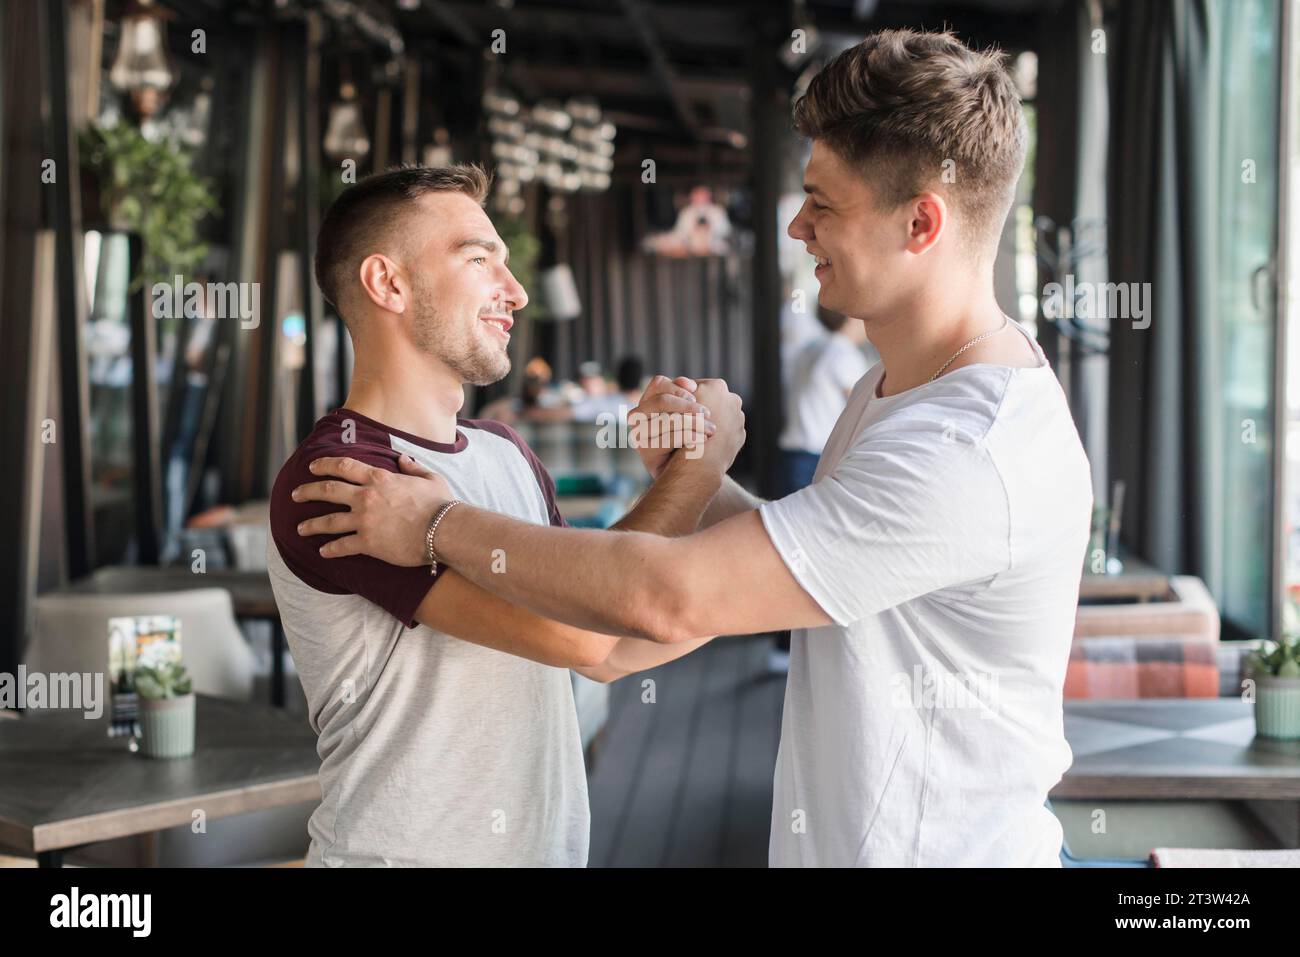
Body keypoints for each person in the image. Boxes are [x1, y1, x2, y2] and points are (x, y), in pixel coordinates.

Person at [294, 28, 1095, 867]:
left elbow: (661, 603)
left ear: (921, 223)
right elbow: (815, 559)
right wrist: (694, 476)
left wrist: (437, 522)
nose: (796, 225)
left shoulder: (966, 446)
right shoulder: (892, 388)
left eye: (823, 203)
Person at [267, 164, 743, 866]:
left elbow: (614, 649)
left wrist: (800, 586)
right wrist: (702, 467)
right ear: (387, 283)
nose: (514, 292)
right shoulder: (343, 475)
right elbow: (591, 634)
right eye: (480, 259)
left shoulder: (506, 452)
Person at [768, 304, 871, 672]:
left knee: (785, 552)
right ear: (851, 316)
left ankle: (782, 645)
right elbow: (866, 411)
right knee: (808, 556)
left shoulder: (810, 349)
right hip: (815, 457)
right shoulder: (842, 355)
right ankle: (800, 650)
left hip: (790, 456)